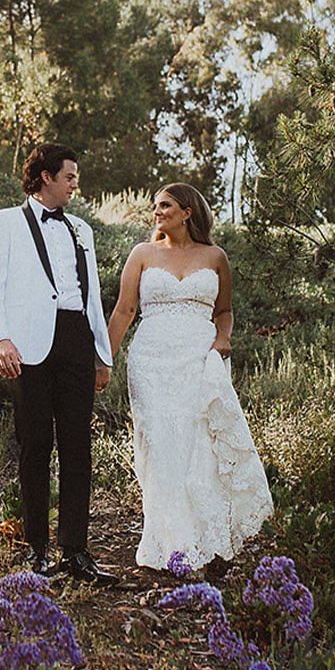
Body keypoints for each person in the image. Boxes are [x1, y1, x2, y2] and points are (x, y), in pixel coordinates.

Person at [107, 183, 273, 572]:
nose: (156, 212)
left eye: (165, 205)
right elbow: (123, 311)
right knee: (161, 444)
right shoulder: (142, 254)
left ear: (187, 212)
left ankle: (205, 541)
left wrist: (223, 339)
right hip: (151, 360)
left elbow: (224, 311)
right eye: (155, 205)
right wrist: (103, 362)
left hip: (198, 358)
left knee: (200, 445)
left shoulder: (215, 257)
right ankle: (166, 541)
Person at [0, 142, 119, 586]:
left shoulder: (81, 229)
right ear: (46, 177)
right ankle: (36, 549)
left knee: (78, 447)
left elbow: (91, 295)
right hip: (27, 347)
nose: (75, 185)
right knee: (35, 445)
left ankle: (76, 552)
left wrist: (100, 355)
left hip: (76, 339)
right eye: (69, 177)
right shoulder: (2, 223)